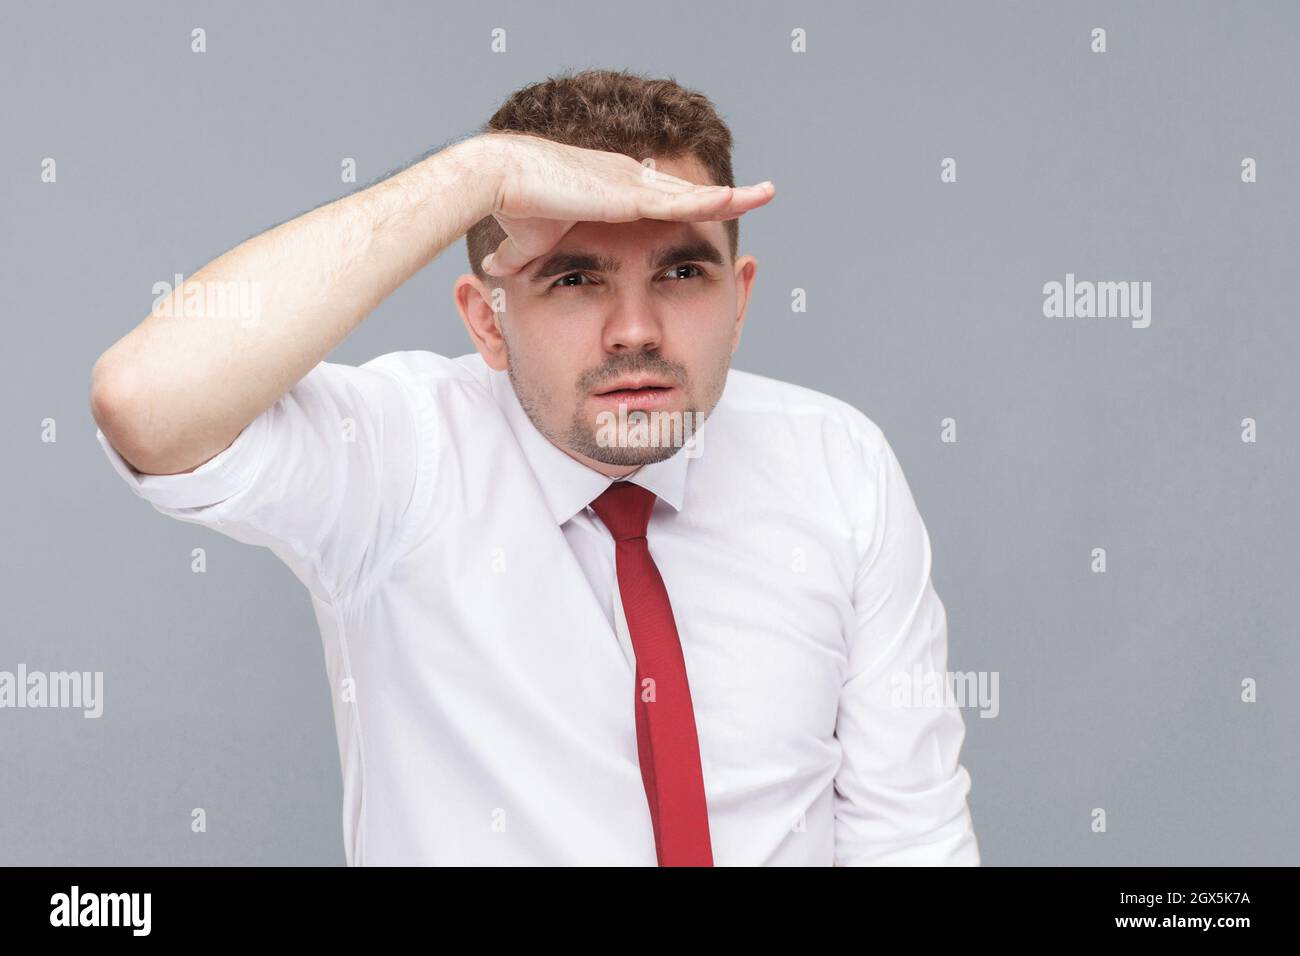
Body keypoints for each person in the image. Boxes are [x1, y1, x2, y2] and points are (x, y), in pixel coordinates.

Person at [90, 68, 980, 866]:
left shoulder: (838, 464)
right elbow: (145, 399)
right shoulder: (401, 456)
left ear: (739, 299)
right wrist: (477, 175)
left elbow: (911, 838)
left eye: (679, 273)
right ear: (485, 321)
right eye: (573, 279)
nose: (636, 329)